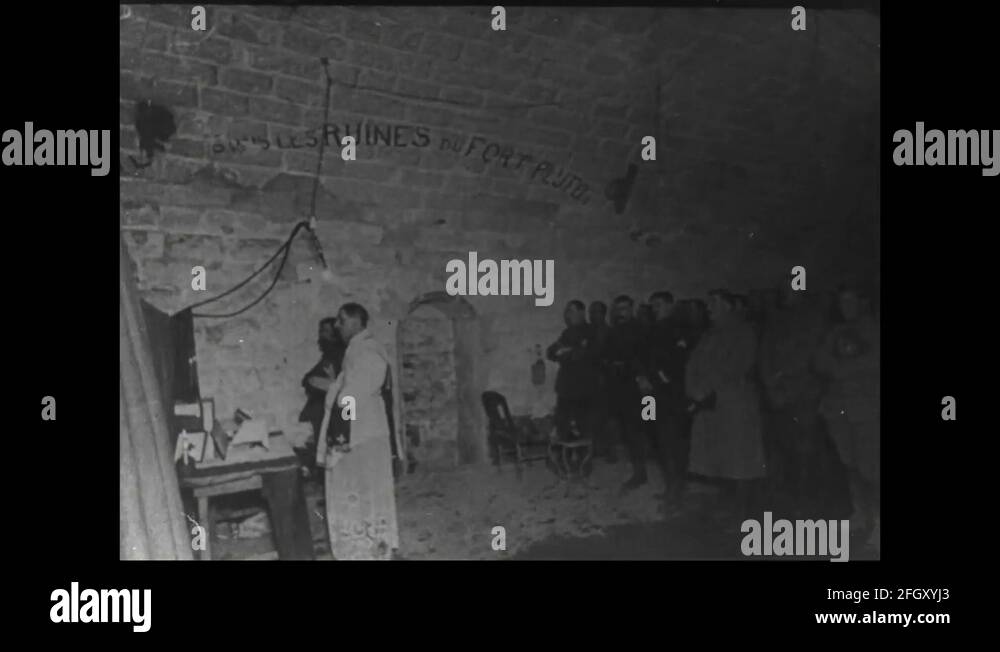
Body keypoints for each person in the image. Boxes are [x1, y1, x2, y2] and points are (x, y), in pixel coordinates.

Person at [319, 302, 399, 560]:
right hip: (359, 433)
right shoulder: (356, 350)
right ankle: (359, 549)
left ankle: (371, 550)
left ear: (355, 321)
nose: (338, 326)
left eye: (341, 320)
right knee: (356, 494)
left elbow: (353, 395)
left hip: (363, 436)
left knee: (367, 495)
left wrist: (341, 437)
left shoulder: (368, 351)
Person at [685, 289, 767, 524]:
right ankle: (729, 505)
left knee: (740, 460)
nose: (709, 308)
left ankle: (742, 513)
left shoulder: (743, 331)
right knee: (719, 456)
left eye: (714, 303)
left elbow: (737, 365)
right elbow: (693, 363)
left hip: (735, 404)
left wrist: (706, 388)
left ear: (729, 307)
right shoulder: (709, 334)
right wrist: (693, 390)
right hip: (711, 404)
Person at [813, 285, 880, 552]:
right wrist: (845, 369)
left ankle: (878, 520)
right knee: (849, 464)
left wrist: (841, 369)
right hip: (838, 409)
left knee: (872, 468)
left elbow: (873, 362)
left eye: (851, 301)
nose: (845, 307)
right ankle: (860, 513)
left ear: (864, 302)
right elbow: (819, 361)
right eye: (842, 302)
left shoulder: (874, 329)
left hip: (868, 409)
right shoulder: (836, 332)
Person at [757, 280, 831, 514]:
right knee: (780, 444)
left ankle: (806, 495)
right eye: (784, 292)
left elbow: (811, 355)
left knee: (805, 446)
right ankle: (783, 494)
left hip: (804, 393)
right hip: (778, 394)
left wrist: (783, 376)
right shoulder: (775, 320)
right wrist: (771, 383)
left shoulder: (814, 320)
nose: (785, 296)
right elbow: (764, 356)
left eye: (790, 292)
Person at [646, 291, 692, 510]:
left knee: (674, 443)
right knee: (662, 442)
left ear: (671, 305)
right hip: (656, 395)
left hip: (674, 394)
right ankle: (670, 488)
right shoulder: (654, 328)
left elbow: (681, 361)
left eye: (659, 305)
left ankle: (677, 492)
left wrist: (663, 378)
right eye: (653, 306)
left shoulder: (679, 327)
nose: (655, 309)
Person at [603, 295, 652, 491]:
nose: (621, 312)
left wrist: (640, 374)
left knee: (642, 429)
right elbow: (606, 354)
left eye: (624, 308)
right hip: (620, 387)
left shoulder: (642, 330)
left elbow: (646, 357)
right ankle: (639, 472)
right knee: (629, 430)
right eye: (618, 309)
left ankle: (644, 470)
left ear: (631, 309)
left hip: (640, 388)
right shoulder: (614, 331)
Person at [546, 300, 600, 443]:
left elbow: (581, 355)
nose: (568, 315)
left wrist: (565, 352)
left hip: (582, 388)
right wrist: (568, 351)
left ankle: (584, 461)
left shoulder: (590, 331)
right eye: (567, 312)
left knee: (583, 427)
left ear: (582, 313)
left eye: (571, 311)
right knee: (562, 425)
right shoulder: (567, 333)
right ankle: (566, 460)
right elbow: (550, 352)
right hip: (565, 387)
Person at [298, 318, 346, 473]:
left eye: (325, 331)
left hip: (334, 413)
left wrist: (314, 382)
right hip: (326, 411)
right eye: (320, 331)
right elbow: (308, 379)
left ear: (335, 334)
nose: (321, 336)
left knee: (332, 454)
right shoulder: (329, 356)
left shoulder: (337, 356)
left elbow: (313, 381)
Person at [588, 300, 616, 461]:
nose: (592, 316)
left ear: (603, 314)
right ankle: (594, 448)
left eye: (596, 312)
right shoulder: (587, 332)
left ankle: (610, 450)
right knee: (592, 417)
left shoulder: (610, 332)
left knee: (608, 418)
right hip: (590, 381)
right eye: (591, 312)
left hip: (607, 382)